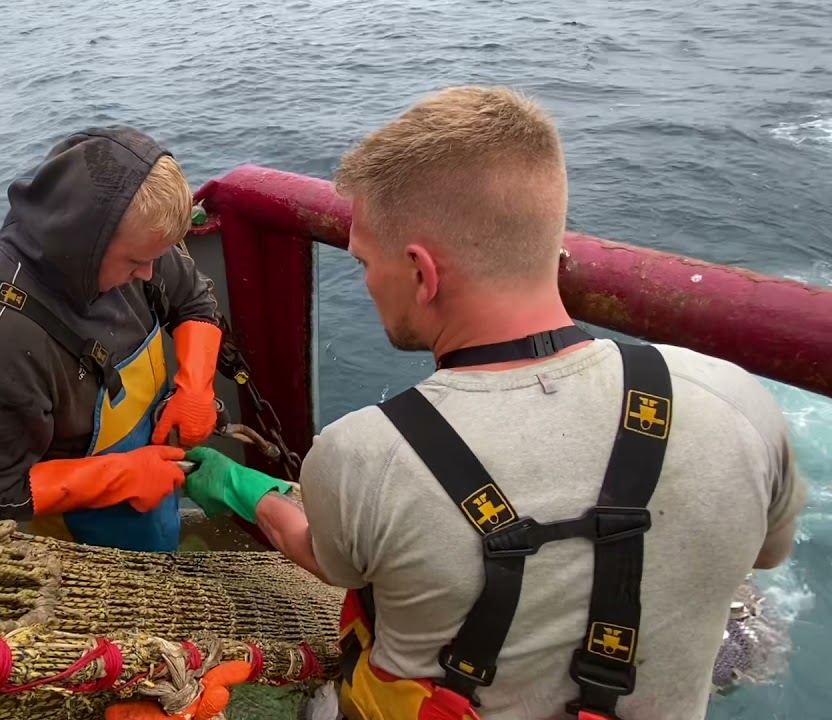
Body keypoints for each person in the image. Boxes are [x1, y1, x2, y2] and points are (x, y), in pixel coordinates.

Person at [175, 87, 807, 720]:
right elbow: (765, 553)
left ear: (422, 273)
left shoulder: (366, 453)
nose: (365, 280)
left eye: (365, 260)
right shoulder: (736, 397)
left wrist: (239, 486)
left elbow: (324, 555)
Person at [0, 126, 223, 552]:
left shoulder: (137, 243)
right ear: (86, 242)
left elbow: (194, 301)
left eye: (154, 260)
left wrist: (195, 386)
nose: (147, 275)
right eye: (137, 262)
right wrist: (118, 477)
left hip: (155, 507)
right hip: (82, 546)